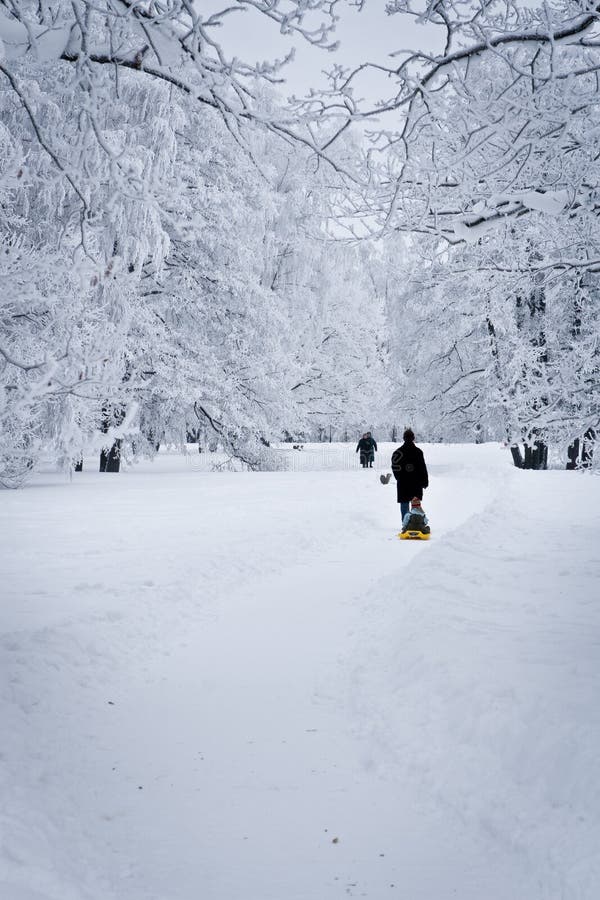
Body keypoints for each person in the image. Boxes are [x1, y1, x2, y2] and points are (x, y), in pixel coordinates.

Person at [391, 428, 429, 522]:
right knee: (416, 505)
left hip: (403, 483)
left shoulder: (398, 452)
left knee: (404, 504)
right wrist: (424, 481)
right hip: (416, 482)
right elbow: (422, 468)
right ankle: (417, 523)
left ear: (403, 438)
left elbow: (395, 467)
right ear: (413, 438)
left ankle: (406, 524)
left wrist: (399, 478)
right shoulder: (418, 452)